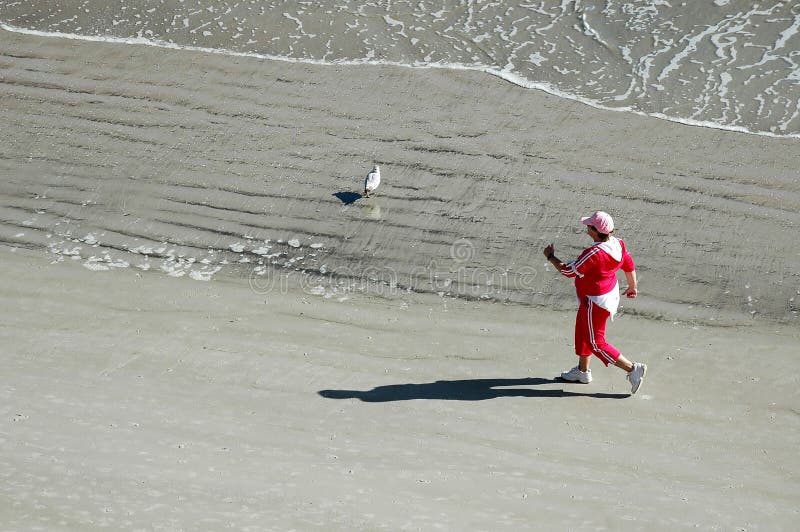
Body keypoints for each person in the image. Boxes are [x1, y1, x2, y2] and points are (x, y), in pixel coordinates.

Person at [543, 211, 647, 394]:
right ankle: (582, 372)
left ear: (594, 231)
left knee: (596, 342)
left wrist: (551, 256)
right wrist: (633, 287)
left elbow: (568, 271)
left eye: (589, 226)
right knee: (583, 330)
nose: (587, 227)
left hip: (595, 302)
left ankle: (633, 369)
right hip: (605, 296)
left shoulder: (594, 253)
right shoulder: (618, 244)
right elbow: (628, 265)